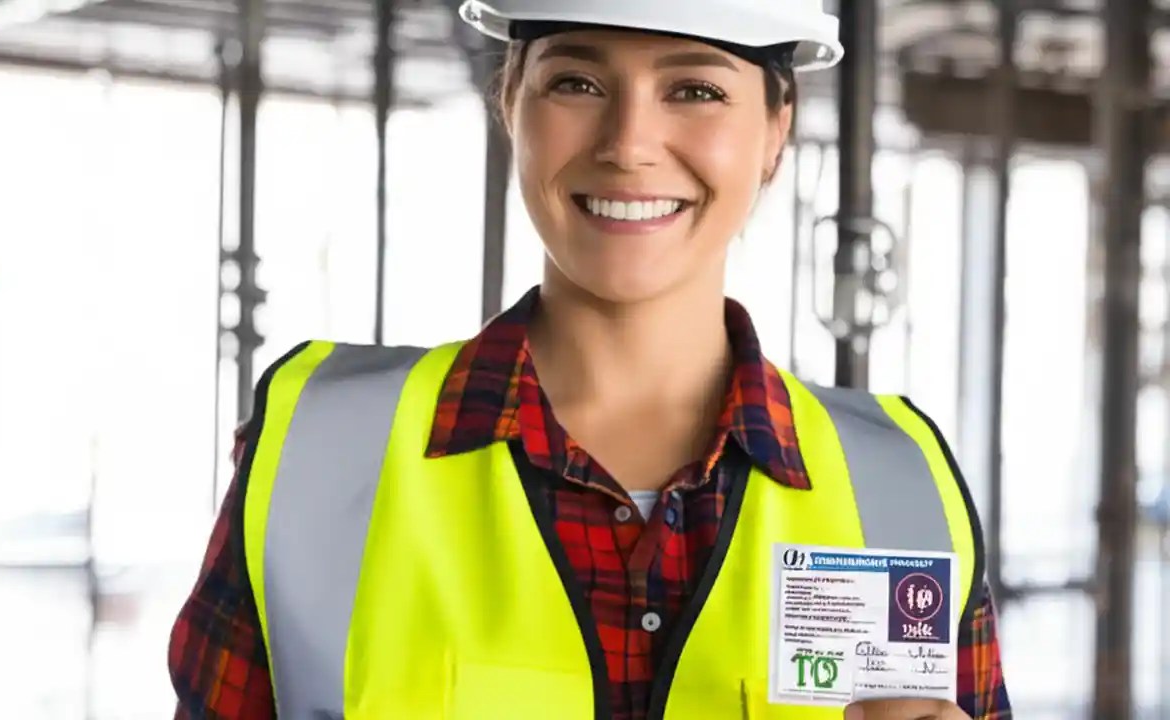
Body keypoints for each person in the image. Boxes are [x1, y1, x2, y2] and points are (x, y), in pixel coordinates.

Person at [168, 0, 1012, 718]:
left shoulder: (897, 485)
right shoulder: (323, 449)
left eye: (695, 90)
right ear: (511, 103)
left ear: (775, 133)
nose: (628, 143)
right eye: (577, 82)